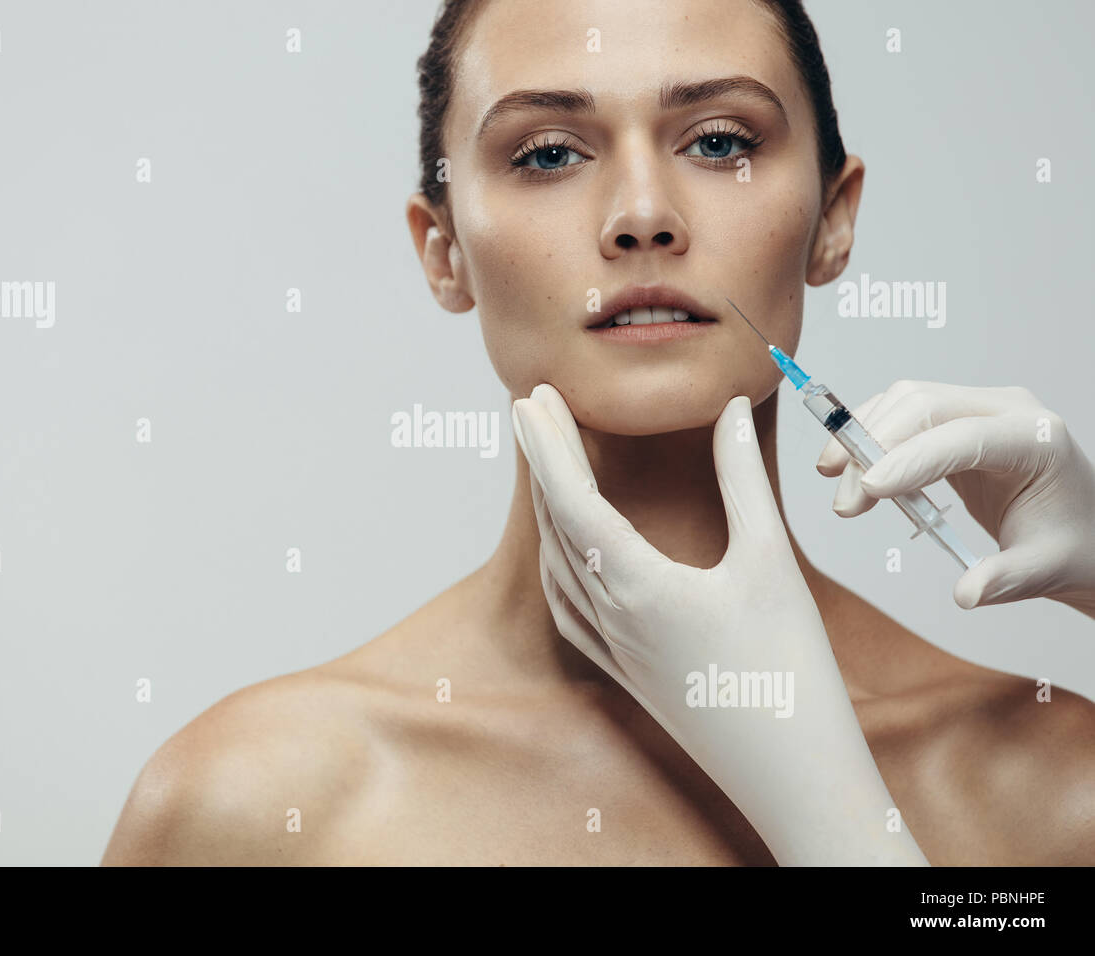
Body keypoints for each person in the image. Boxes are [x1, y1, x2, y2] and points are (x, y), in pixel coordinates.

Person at [101, 0, 1095, 865]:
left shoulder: (1052, 784)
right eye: (546, 154)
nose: (641, 215)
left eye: (718, 141)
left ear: (832, 218)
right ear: (441, 250)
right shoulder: (260, 810)